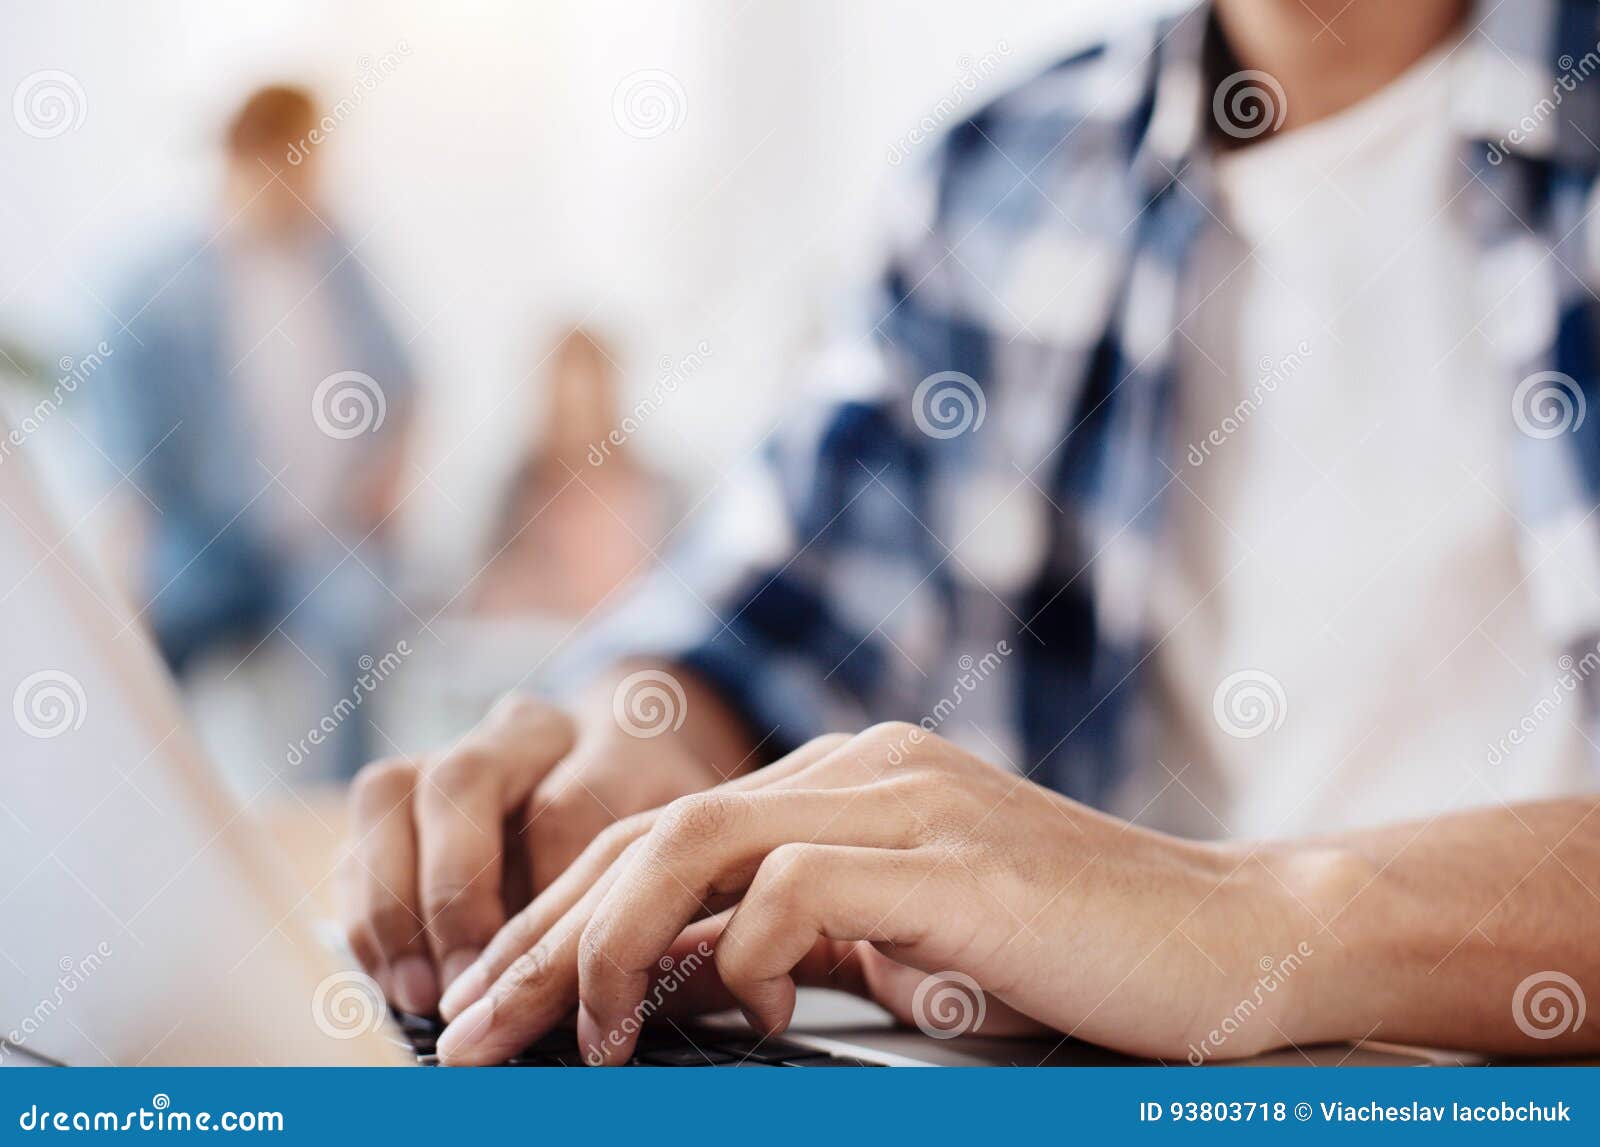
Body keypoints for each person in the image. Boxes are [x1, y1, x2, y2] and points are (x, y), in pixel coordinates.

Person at [340, 0, 1600, 1064]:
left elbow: (1217, 920)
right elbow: (775, 605)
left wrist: (1240, 916)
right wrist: (627, 758)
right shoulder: (1004, 170)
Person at [96, 85, 417, 778]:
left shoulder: (339, 263)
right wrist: (128, 566)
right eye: (301, 161)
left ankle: (344, 810)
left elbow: (404, 378)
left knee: (357, 624)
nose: (316, 182)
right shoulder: (157, 285)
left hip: (323, 540)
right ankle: (157, 796)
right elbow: (125, 451)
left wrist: (389, 480)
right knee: (152, 649)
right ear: (252, 157)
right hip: (204, 542)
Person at [470, 326, 663, 619]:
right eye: (567, 400)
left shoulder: (652, 491)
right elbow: (488, 593)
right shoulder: (520, 487)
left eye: (588, 400)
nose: (578, 417)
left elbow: (664, 596)